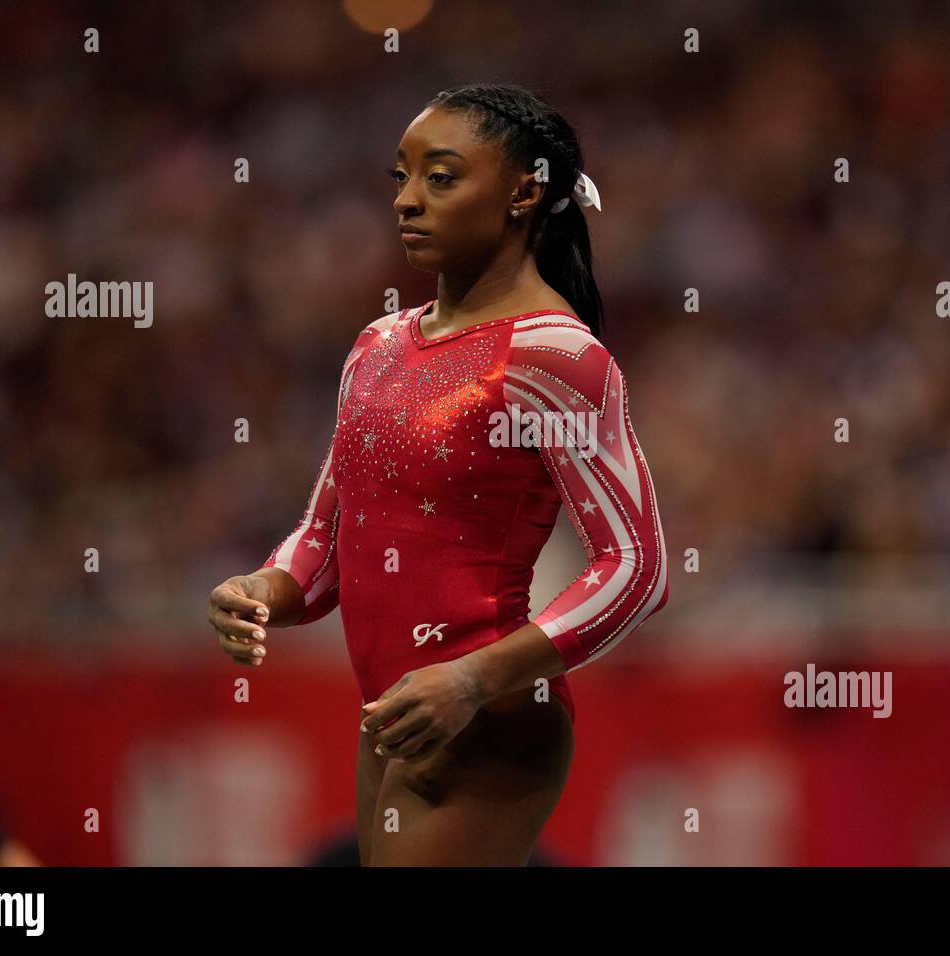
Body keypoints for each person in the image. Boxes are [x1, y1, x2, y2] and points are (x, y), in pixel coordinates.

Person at [207, 83, 668, 865]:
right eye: (401, 178)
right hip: (398, 715)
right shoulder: (378, 345)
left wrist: (473, 680)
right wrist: (264, 591)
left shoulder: (554, 356)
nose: (408, 202)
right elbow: (325, 539)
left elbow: (637, 568)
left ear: (524, 192)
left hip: (490, 727)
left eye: (442, 178)